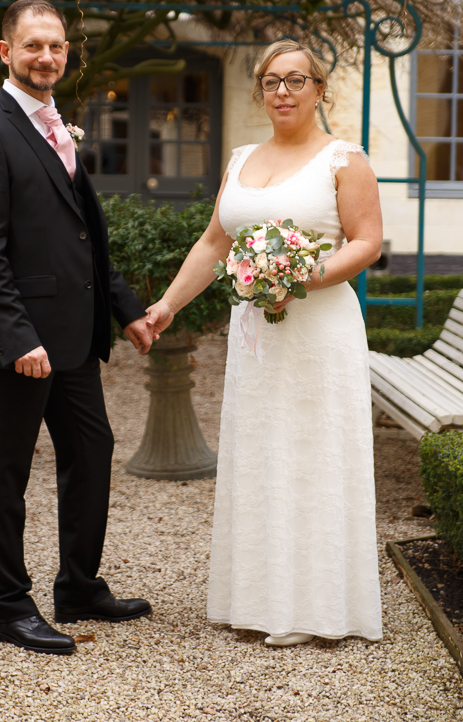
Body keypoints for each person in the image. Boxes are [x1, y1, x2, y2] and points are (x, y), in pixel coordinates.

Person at [147, 40, 383, 646]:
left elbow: (366, 242)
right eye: (272, 81)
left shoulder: (344, 158)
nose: (283, 91)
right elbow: (213, 244)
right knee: (262, 454)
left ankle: (320, 608)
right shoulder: (242, 157)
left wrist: (304, 276)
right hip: (256, 336)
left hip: (320, 332)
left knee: (315, 456)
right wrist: (169, 305)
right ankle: (258, 600)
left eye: (297, 80)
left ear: (319, 89)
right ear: (260, 90)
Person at [0, 0, 153, 656]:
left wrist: (127, 311)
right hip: (22, 345)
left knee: (92, 453)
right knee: (6, 472)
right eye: (33, 45)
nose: (46, 57)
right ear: (6, 52)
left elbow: (82, 239)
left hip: (72, 338)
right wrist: (18, 338)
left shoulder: (53, 124)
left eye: (56, 46)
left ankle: (78, 584)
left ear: (68, 53)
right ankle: (9, 606)